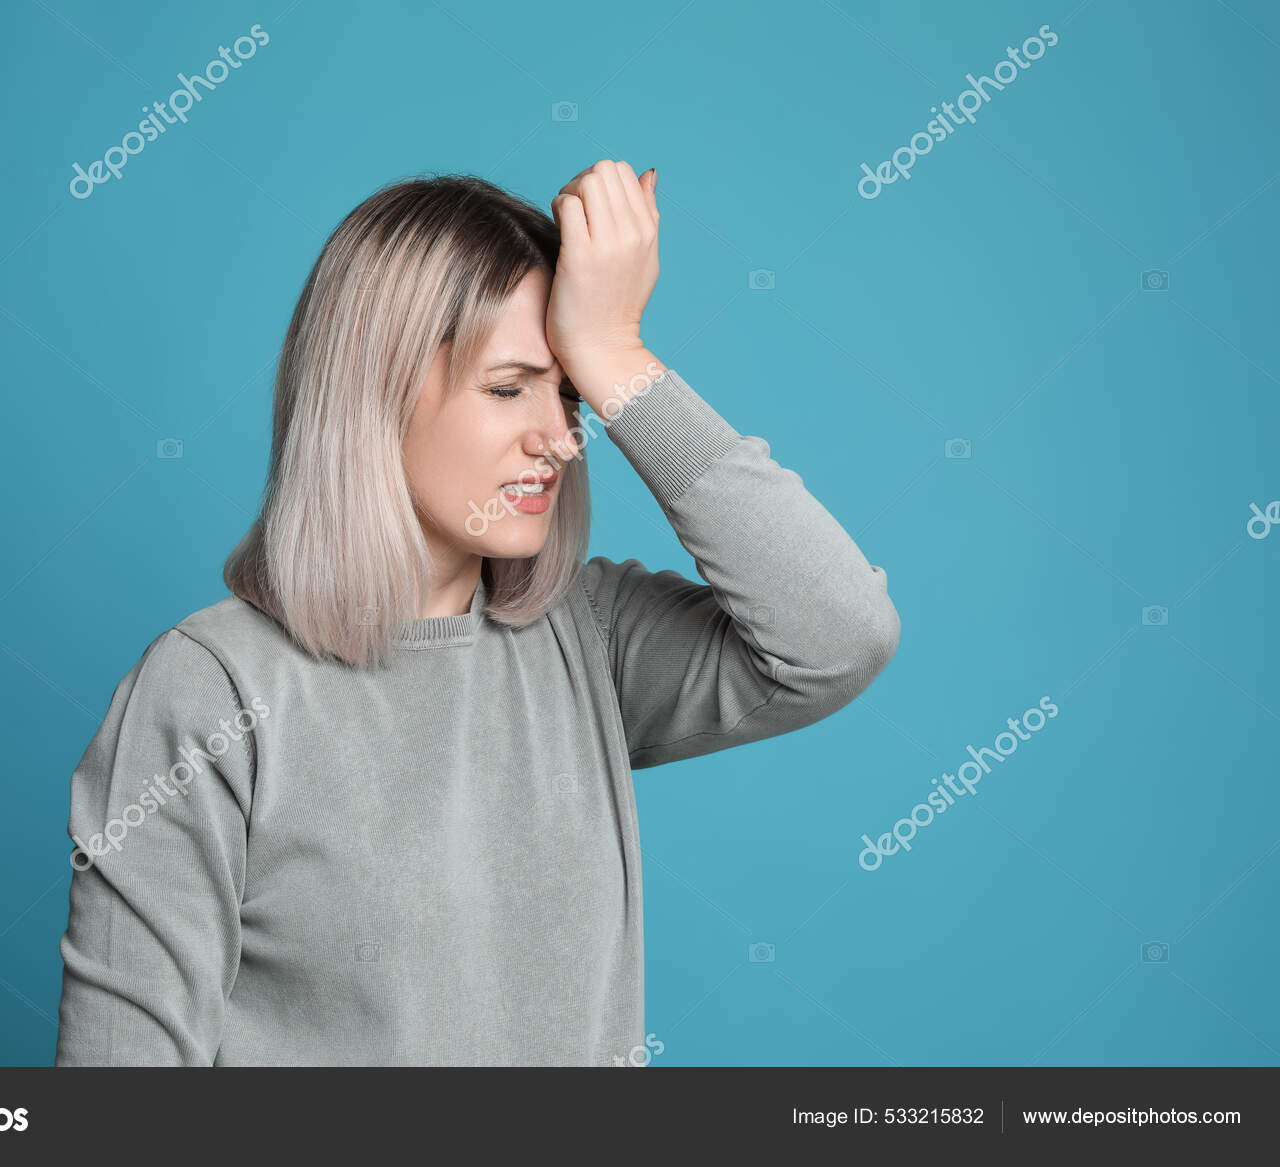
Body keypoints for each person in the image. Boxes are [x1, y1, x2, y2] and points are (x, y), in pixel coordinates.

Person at [55, 160, 899, 1066]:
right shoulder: (210, 688)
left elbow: (839, 633)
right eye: (509, 388)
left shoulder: (590, 638)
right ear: (372, 393)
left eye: (568, 393)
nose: (560, 436)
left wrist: (618, 356)